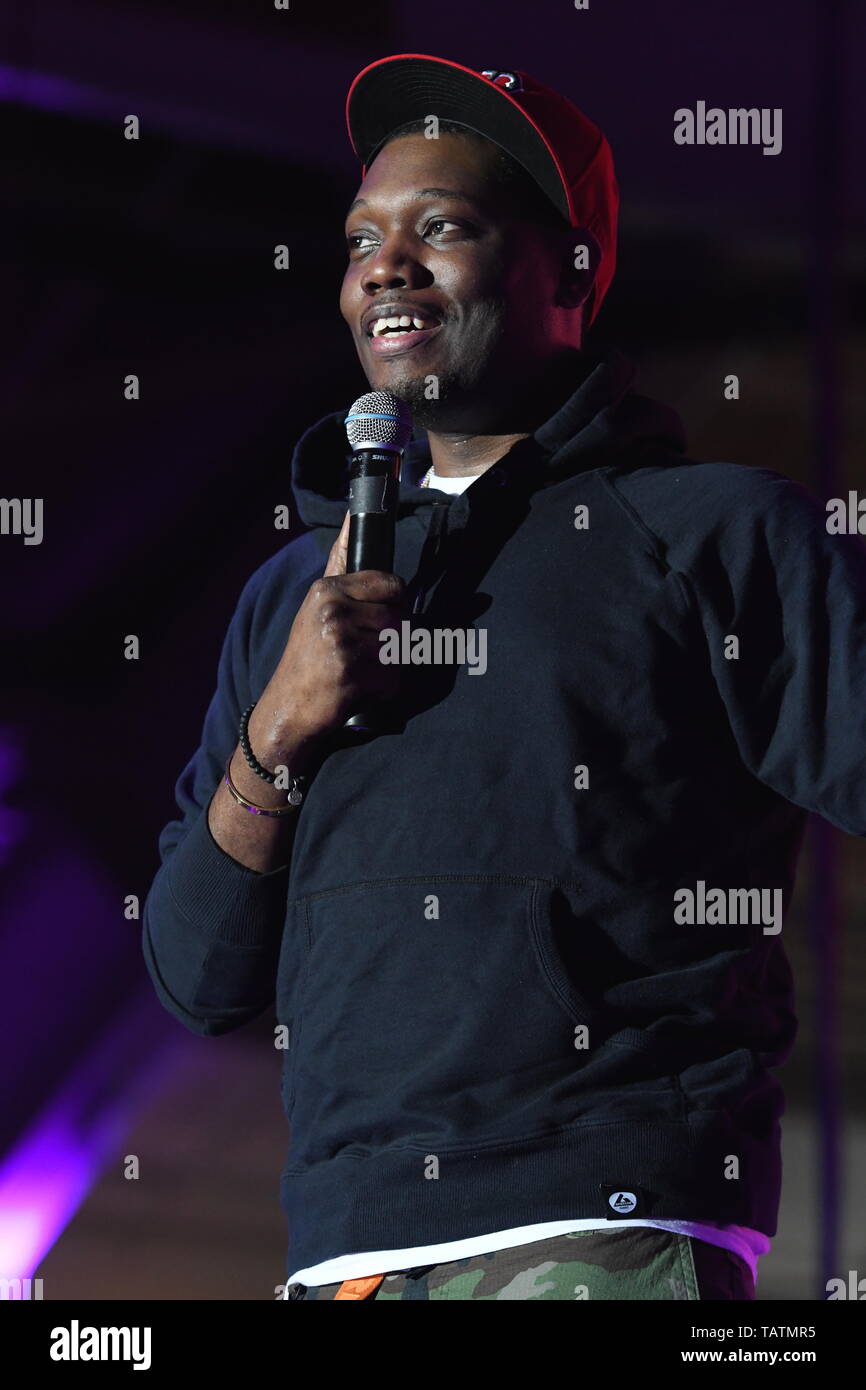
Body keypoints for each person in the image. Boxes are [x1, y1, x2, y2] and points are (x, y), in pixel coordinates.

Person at [142, 55, 866, 1301]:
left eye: (442, 228)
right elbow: (194, 974)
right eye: (362, 239)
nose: (385, 265)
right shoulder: (290, 602)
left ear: (570, 271)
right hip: (345, 1245)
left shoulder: (707, 534)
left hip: (594, 1217)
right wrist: (277, 735)